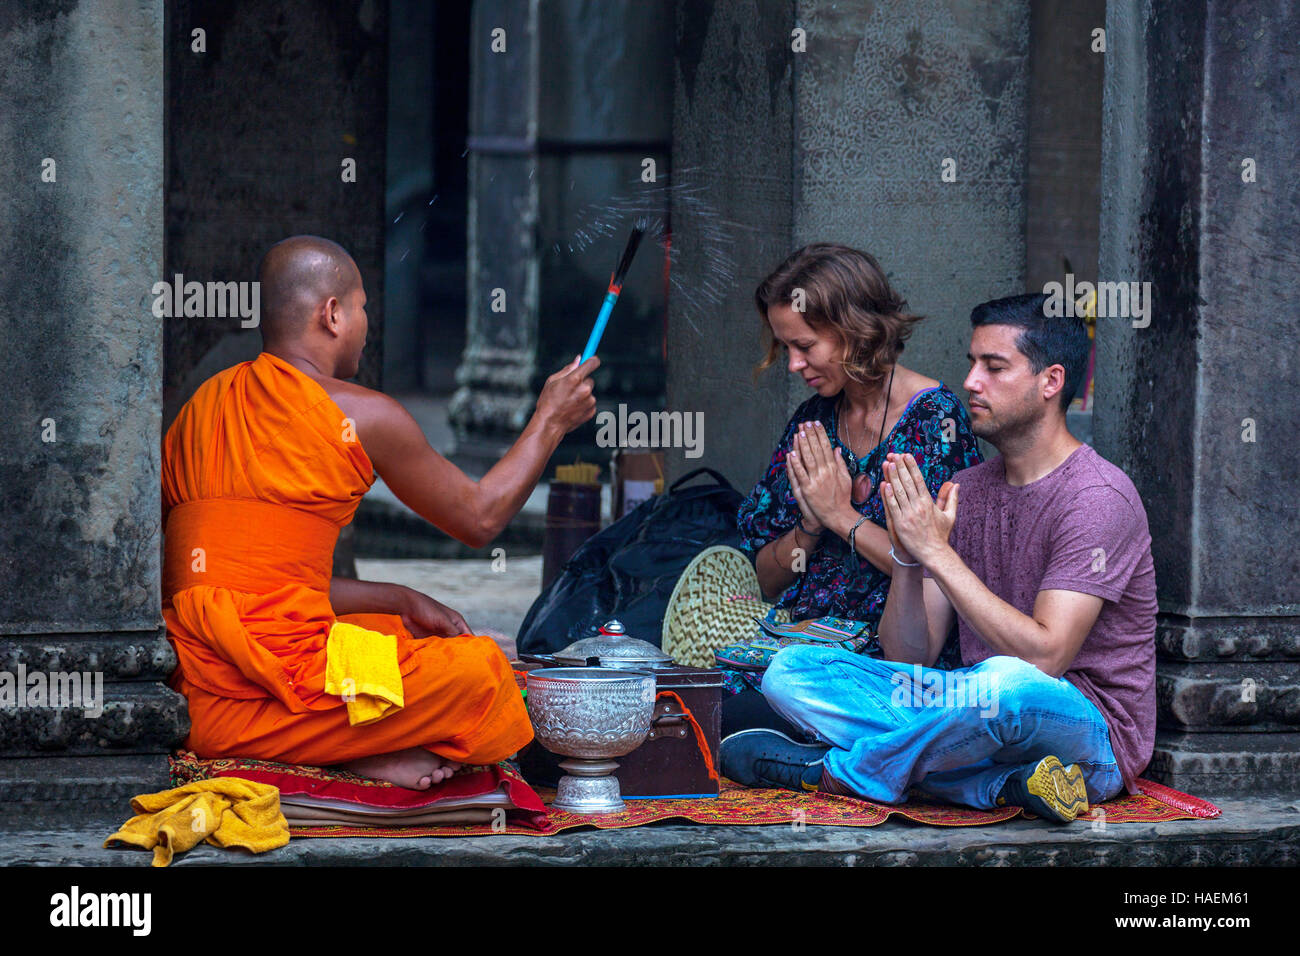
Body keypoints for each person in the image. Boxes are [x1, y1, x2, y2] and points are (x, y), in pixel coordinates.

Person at [162, 235, 599, 790]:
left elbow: (255, 587)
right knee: (479, 669)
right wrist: (550, 421)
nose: (367, 323)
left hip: (195, 700)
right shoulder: (364, 414)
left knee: (397, 635)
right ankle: (362, 740)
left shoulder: (199, 409)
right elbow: (479, 517)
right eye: (364, 306)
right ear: (333, 314)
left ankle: (346, 743)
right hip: (271, 687)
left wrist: (399, 598)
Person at [721, 293, 1157, 823]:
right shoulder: (966, 491)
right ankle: (1001, 784)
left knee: (1005, 683)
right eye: (972, 363)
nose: (971, 382)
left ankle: (838, 773)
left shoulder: (1097, 497)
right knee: (792, 671)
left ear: (1051, 382)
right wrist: (908, 558)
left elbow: (1045, 659)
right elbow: (914, 655)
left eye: (994, 367)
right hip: (971, 713)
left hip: (1085, 730)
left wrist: (936, 552)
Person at [725, 244, 982, 731]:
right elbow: (764, 577)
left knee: (746, 717)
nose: (793, 365)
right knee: (701, 703)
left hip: (885, 660)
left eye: (804, 347)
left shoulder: (934, 422)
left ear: (852, 331)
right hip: (794, 644)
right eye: (785, 349)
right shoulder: (814, 420)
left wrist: (841, 517)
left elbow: (939, 566)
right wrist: (808, 524)